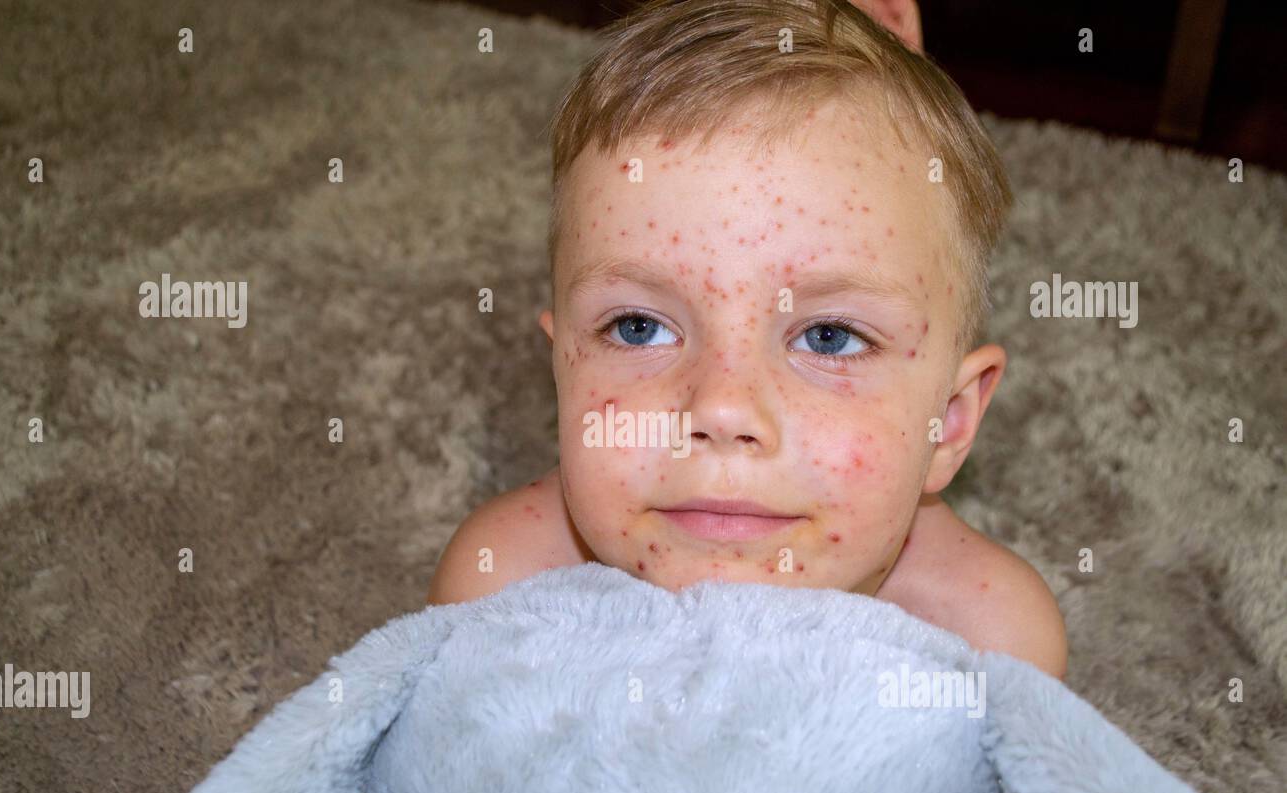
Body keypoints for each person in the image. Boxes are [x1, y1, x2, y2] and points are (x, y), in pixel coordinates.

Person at [427, 0, 1067, 680]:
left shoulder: (984, 644)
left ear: (950, 423)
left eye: (828, 337)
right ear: (561, 369)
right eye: (639, 328)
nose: (722, 410)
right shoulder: (501, 594)